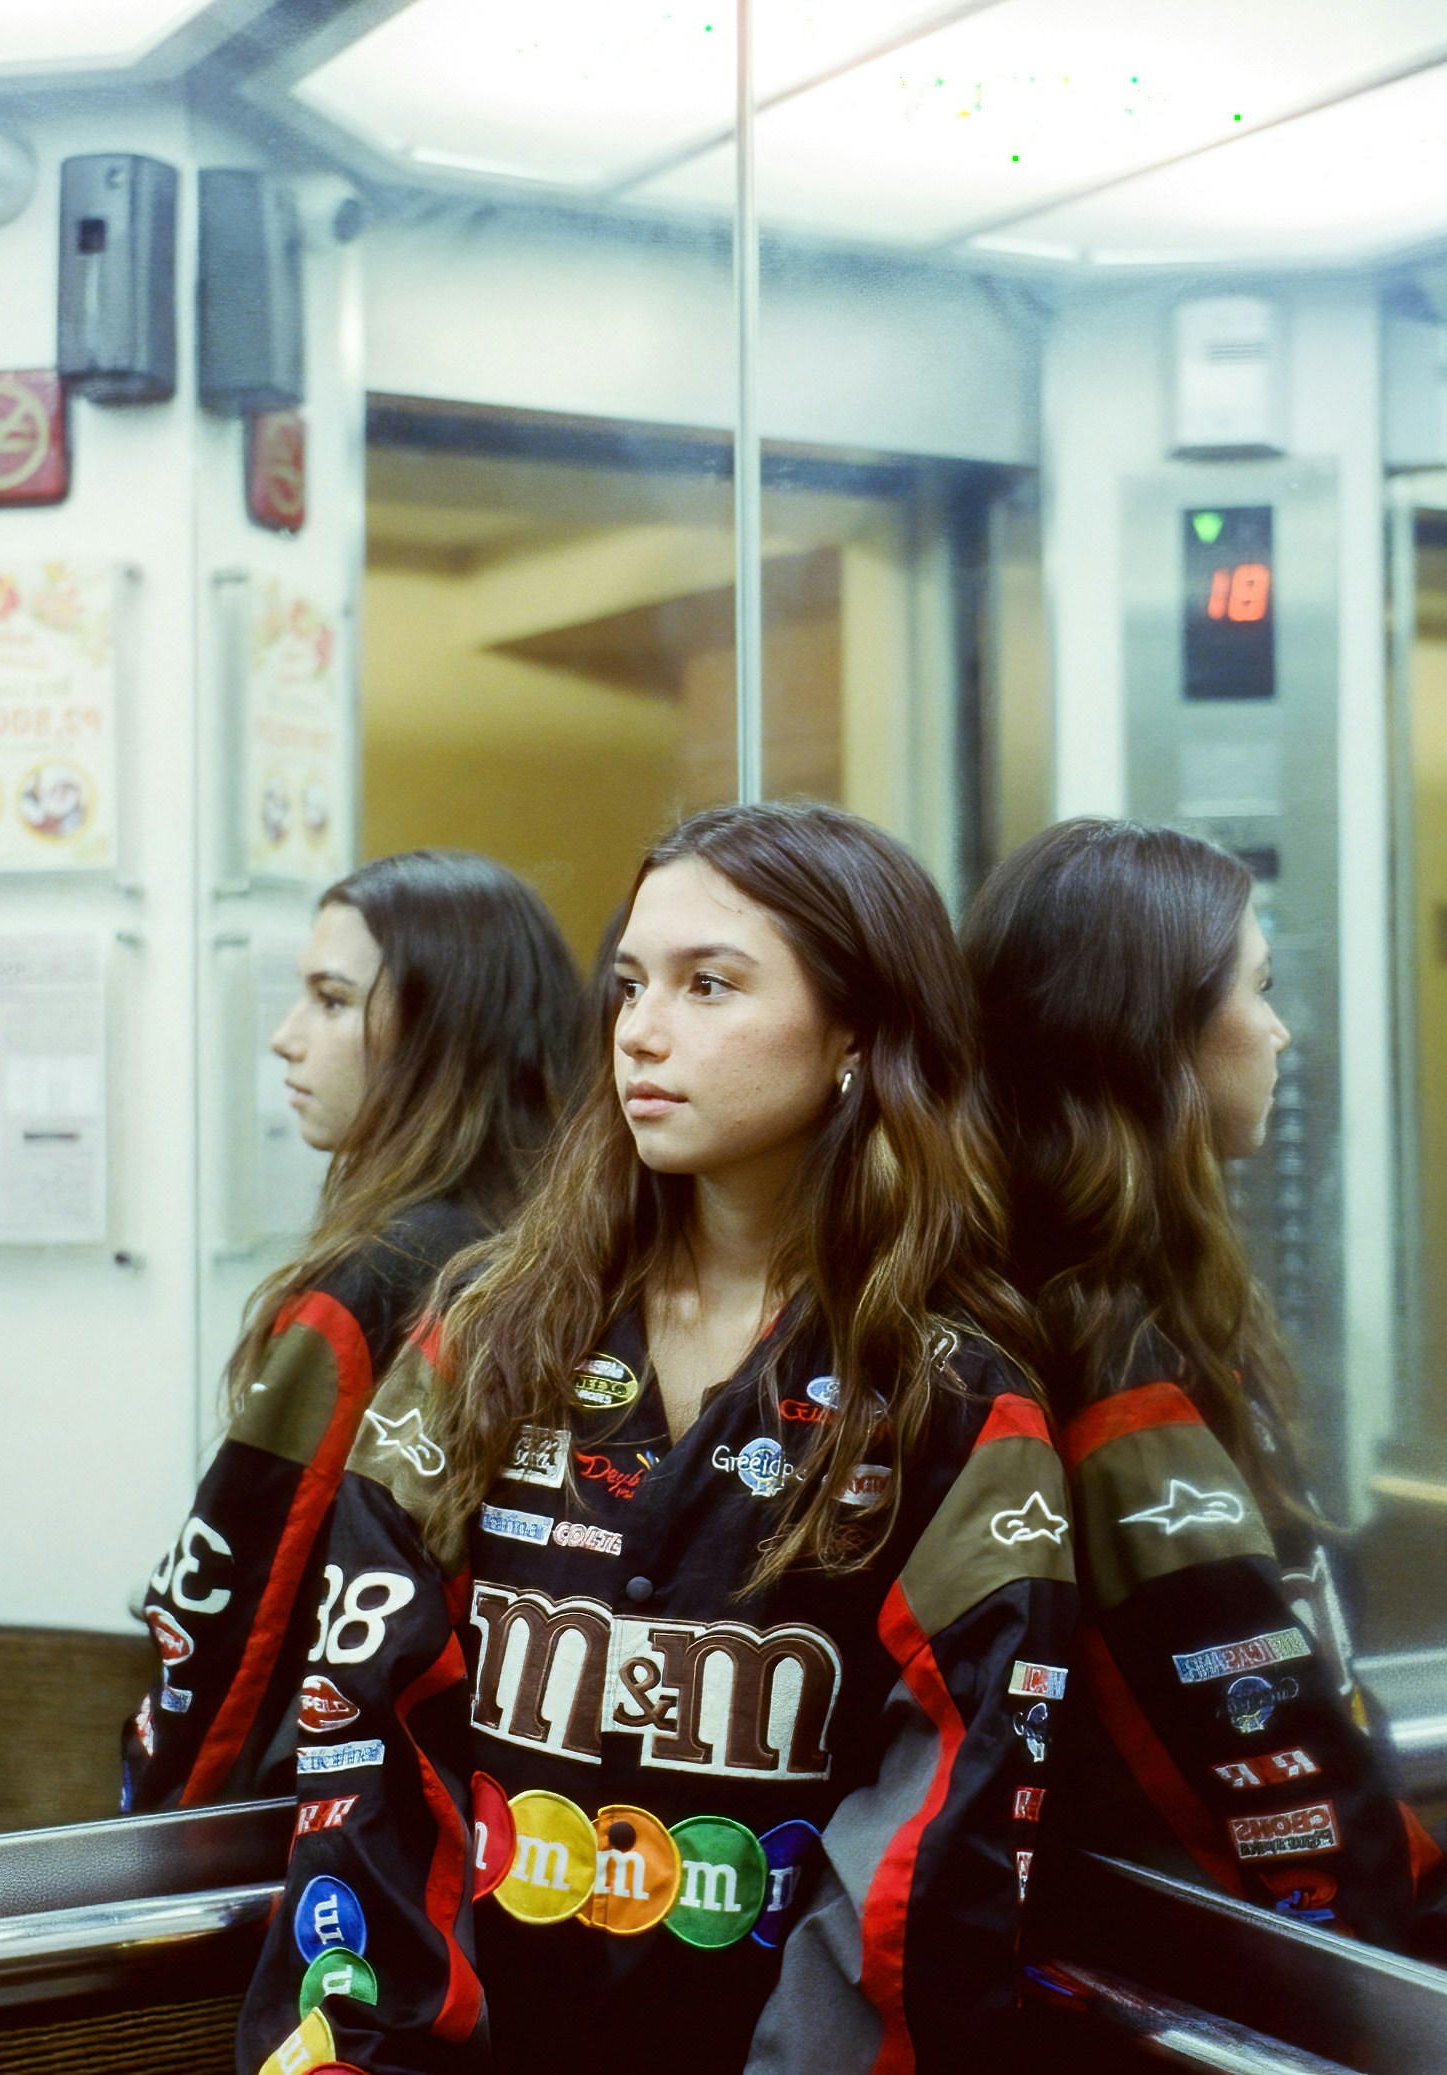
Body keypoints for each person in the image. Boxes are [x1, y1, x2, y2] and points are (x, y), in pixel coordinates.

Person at [241, 802, 1076, 2075]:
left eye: (711, 985)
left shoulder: (951, 1401)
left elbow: (929, 1858)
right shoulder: (487, 1334)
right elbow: (365, 1732)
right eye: (630, 983)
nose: (641, 1029)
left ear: (856, 1029)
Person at [962, 819, 1447, 1965]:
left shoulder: (1081, 1300)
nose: (1280, 1030)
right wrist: (1420, 1920)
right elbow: (1237, 1720)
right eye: (1256, 988)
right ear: (1147, 1038)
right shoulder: (1115, 1360)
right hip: (1197, 1958)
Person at [123, 850, 586, 1811]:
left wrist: (160, 1847)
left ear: (442, 1029)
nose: (288, 1040)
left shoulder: (379, 1278)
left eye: (332, 1001)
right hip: (494, 1817)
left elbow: (235, 1608)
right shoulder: (565, 1251)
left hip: (322, 1824)